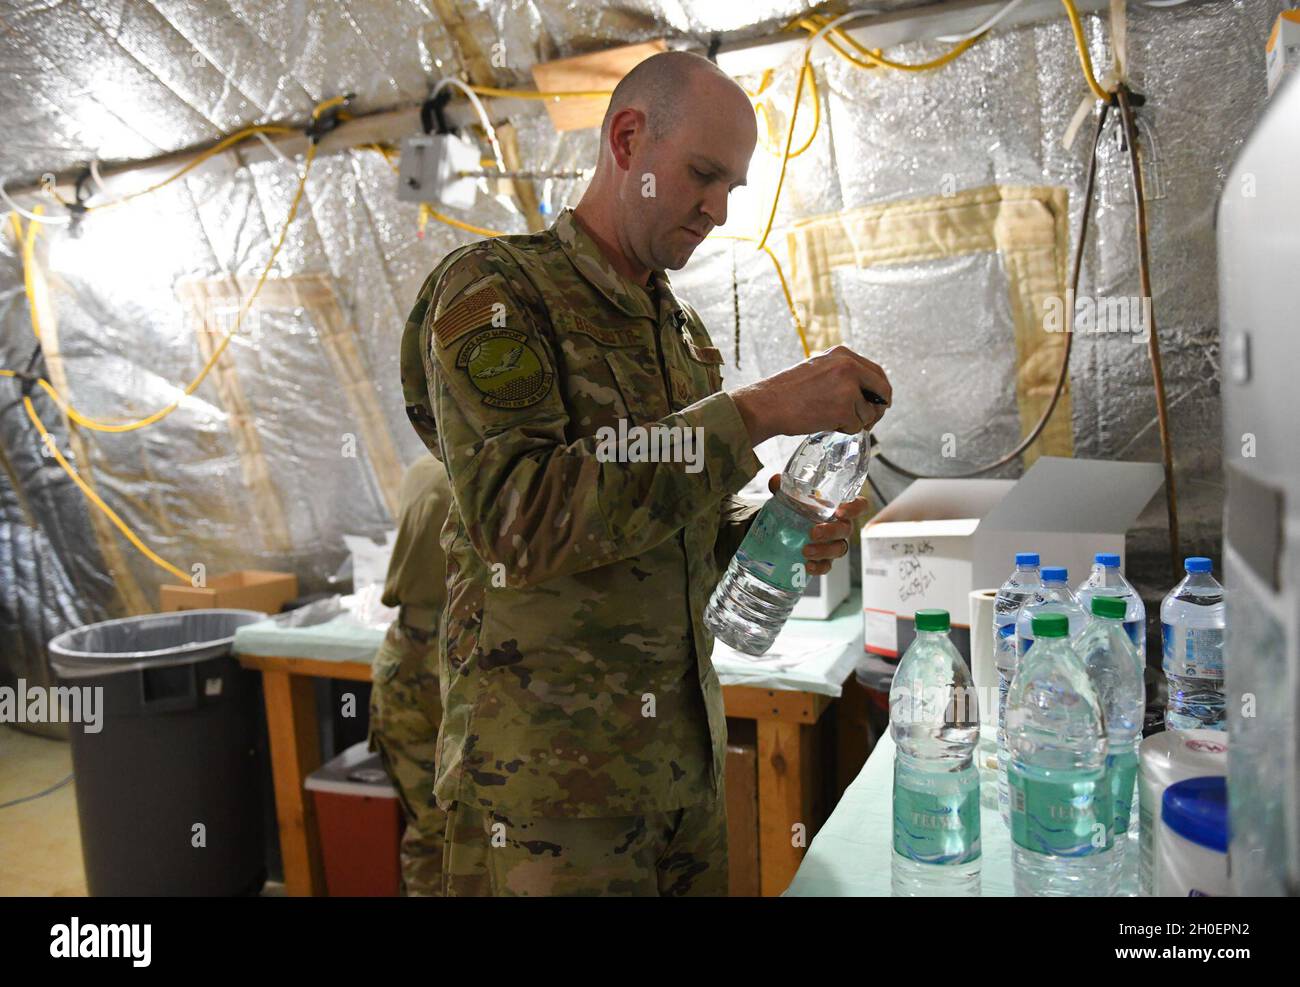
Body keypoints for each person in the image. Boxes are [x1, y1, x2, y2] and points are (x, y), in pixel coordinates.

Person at [398, 50, 892, 896]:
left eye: (733, 187)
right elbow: (519, 518)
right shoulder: (497, 293)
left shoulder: (681, 332)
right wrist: (761, 409)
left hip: (680, 778)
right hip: (551, 803)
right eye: (704, 175)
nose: (717, 210)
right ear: (628, 138)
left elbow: (672, 535)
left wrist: (766, 531)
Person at [367, 453, 453, 896]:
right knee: (484, 834)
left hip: (403, 654)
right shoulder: (489, 467)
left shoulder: (423, 467)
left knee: (429, 827)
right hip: (459, 658)